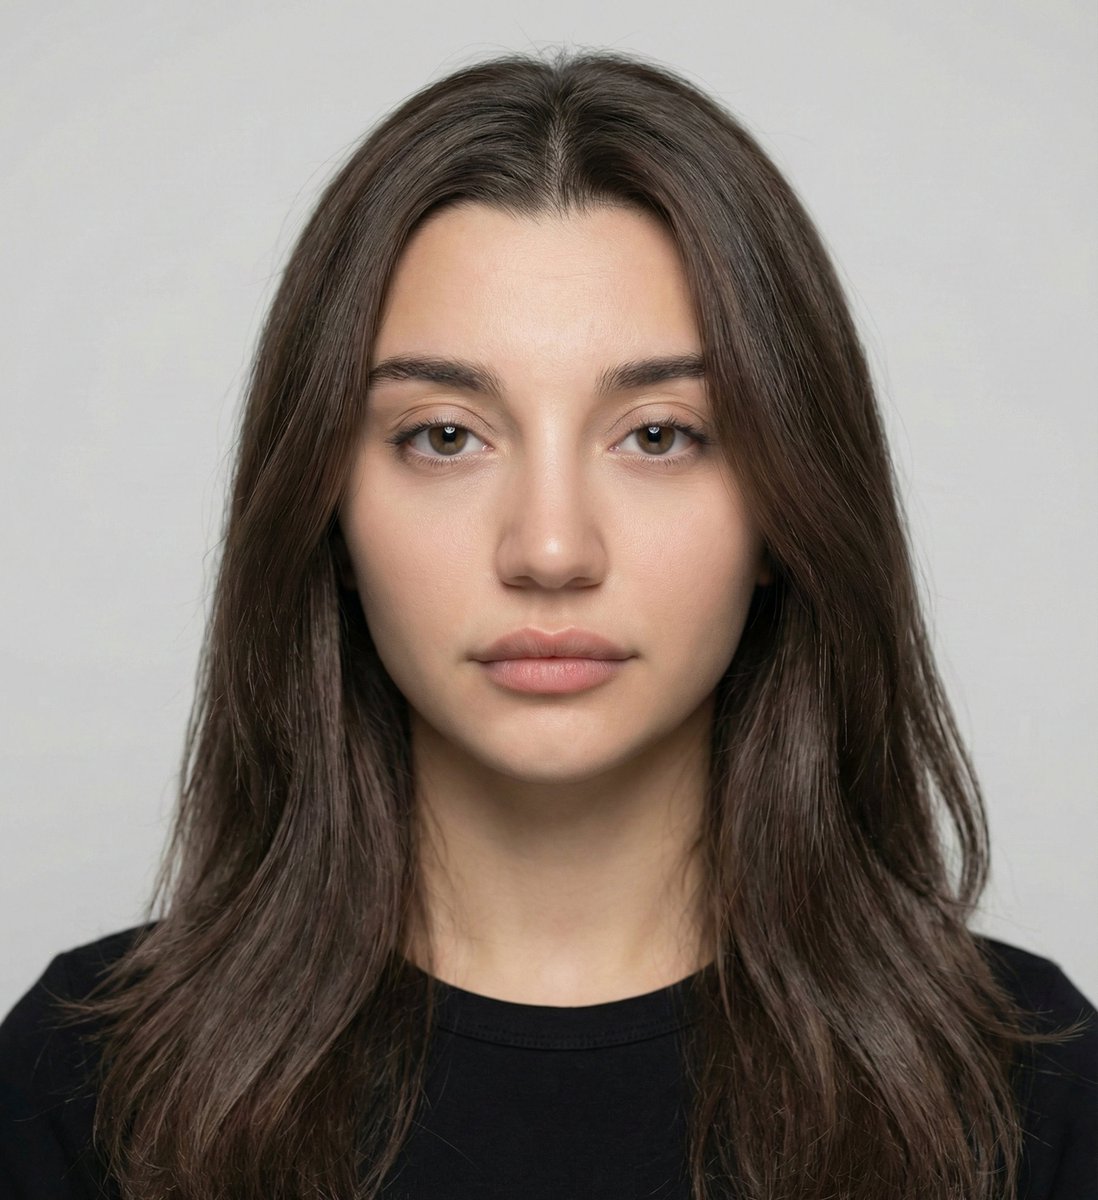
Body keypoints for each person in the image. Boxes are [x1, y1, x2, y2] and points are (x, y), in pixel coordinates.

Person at [1, 46, 1094, 1200]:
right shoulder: (82, 1094)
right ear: (325, 509)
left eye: (660, 434)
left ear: (785, 508)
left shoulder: (1028, 1101)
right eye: (444, 435)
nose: (552, 551)